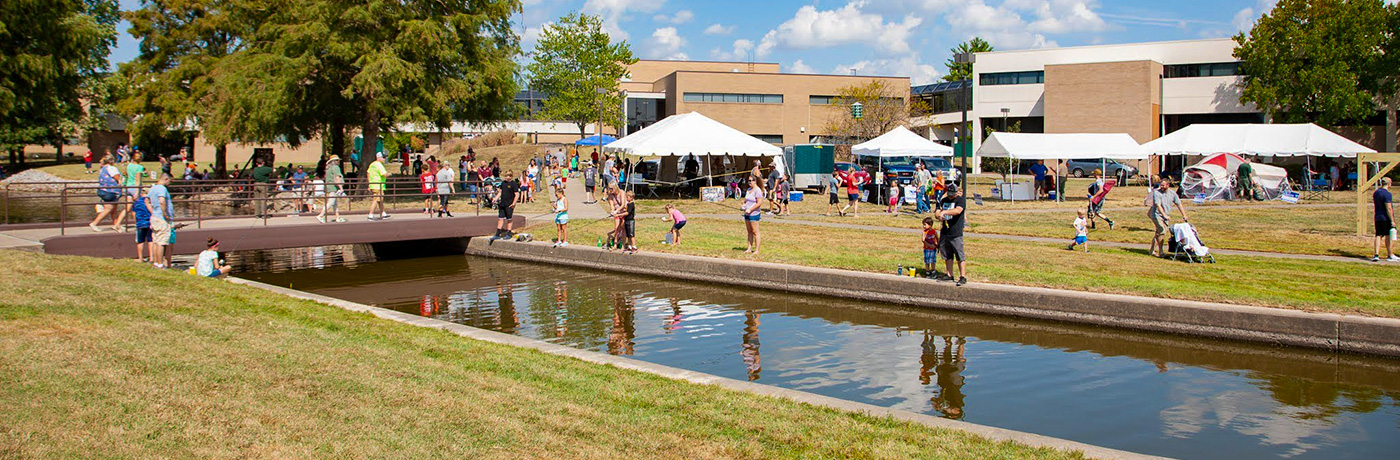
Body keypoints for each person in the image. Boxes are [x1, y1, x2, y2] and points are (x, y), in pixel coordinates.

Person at [935, 183, 967, 286]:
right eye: (949, 193)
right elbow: (937, 212)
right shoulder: (943, 200)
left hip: (956, 232)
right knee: (947, 255)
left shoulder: (960, 200)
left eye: (952, 194)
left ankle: (962, 276)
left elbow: (958, 211)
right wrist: (939, 216)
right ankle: (949, 274)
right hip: (945, 231)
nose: (950, 196)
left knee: (959, 254)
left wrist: (945, 212)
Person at [1148, 177, 1189, 258]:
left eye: (1163, 185)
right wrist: (1164, 215)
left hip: (1165, 216)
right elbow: (1158, 205)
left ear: (1168, 185)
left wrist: (1184, 215)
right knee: (1162, 231)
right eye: (1160, 185)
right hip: (1156, 214)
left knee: (1159, 233)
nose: (1161, 187)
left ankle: (1151, 250)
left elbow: (1179, 204)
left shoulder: (1172, 194)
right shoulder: (1156, 193)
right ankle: (1161, 252)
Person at [148, 173, 175, 269]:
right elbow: (162, 201)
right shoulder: (162, 189)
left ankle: (155, 262)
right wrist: (165, 214)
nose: (169, 183)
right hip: (161, 219)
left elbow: (147, 201)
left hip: (155, 217)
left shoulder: (152, 188)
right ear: (166, 179)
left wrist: (153, 211)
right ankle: (160, 264)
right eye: (169, 181)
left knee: (155, 240)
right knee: (161, 242)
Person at [89, 156, 123, 232]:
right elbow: (118, 178)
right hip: (111, 191)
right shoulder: (112, 168)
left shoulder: (103, 169)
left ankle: (116, 224)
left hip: (103, 190)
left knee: (114, 209)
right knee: (108, 209)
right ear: (111, 161)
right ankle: (94, 223)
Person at [115, 154, 147, 231]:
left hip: (128, 187)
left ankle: (117, 223)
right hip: (134, 188)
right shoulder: (139, 167)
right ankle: (139, 224)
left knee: (128, 208)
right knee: (138, 207)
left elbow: (126, 176)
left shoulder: (129, 165)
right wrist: (137, 191)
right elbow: (137, 180)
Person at [1373, 177, 1396, 262]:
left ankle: (1376, 254)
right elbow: (1388, 208)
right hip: (1385, 218)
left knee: (1378, 235)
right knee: (1388, 236)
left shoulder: (1376, 193)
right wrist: (1392, 220)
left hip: (1377, 217)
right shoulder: (1387, 194)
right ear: (1389, 184)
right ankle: (1390, 254)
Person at [319, 155, 345, 223]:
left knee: (335, 203)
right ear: (334, 161)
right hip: (333, 187)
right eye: (336, 160)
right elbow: (337, 178)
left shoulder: (328, 168)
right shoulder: (336, 168)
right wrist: (341, 188)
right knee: (330, 202)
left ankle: (337, 217)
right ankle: (321, 215)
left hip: (329, 186)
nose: (338, 161)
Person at [494, 171, 519, 238]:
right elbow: (500, 192)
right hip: (502, 204)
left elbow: (516, 194)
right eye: (506, 176)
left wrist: (513, 203)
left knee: (509, 219)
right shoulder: (503, 183)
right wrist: (495, 198)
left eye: (508, 176)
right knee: (500, 218)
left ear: (511, 176)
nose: (507, 177)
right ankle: (498, 233)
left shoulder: (513, 184)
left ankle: (509, 233)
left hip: (509, 204)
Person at [743, 174, 763, 254]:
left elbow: (759, 203)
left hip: (754, 214)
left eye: (751, 181)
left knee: (755, 231)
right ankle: (749, 248)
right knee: (749, 231)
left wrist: (750, 209)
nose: (749, 182)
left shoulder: (757, 190)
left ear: (755, 181)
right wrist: (744, 205)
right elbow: (746, 200)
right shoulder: (748, 190)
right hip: (747, 213)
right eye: (748, 181)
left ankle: (757, 250)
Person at [367, 152, 390, 220]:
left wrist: (369, 183)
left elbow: (368, 173)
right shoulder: (379, 165)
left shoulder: (372, 164)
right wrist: (389, 174)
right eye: (383, 157)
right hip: (378, 185)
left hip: (373, 184)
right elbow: (384, 174)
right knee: (376, 199)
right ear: (379, 157)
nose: (384, 159)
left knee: (380, 200)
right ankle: (370, 215)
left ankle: (383, 213)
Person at [132, 188, 153, 262]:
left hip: (140, 223)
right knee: (150, 240)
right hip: (149, 222)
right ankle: (151, 257)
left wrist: (135, 221)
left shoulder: (137, 202)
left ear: (141, 194)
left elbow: (133, 213)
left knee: (140, 241)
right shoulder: (150, 202)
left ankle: (140, 257)